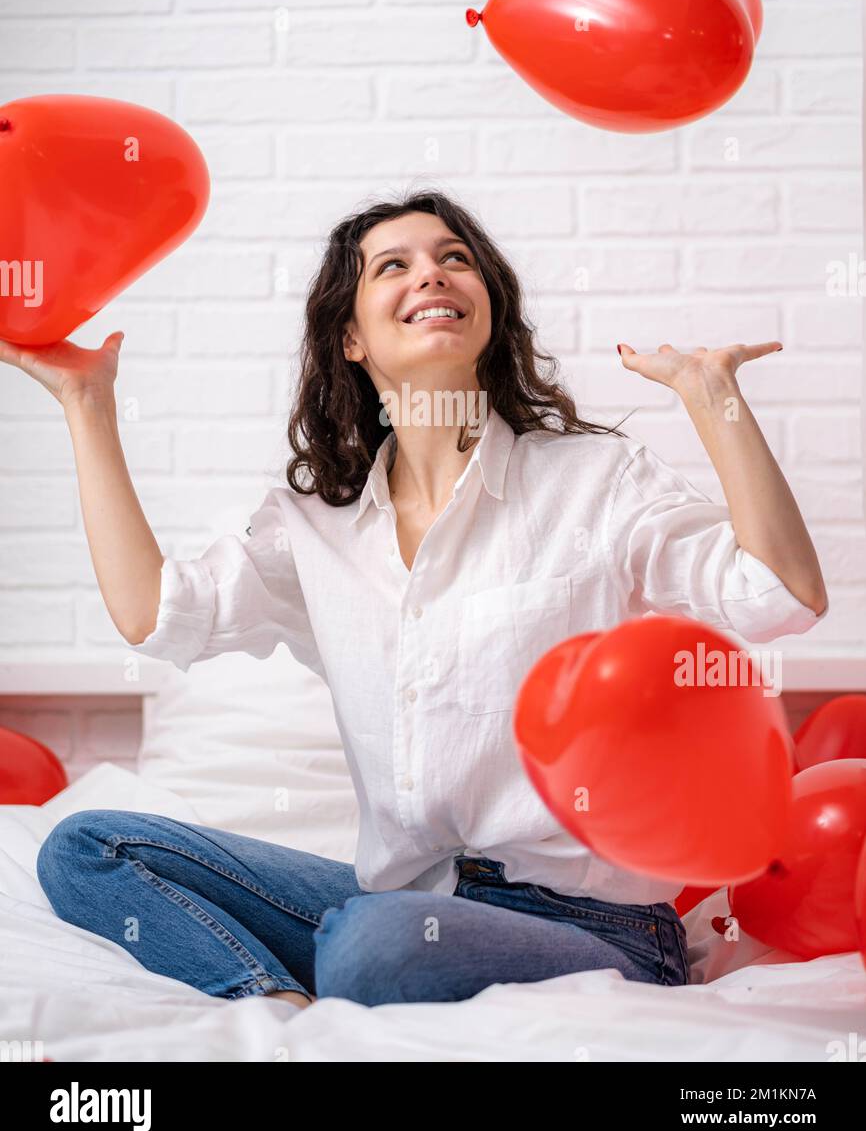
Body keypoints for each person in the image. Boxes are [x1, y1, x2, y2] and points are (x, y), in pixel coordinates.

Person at [6, 187, 827, 1011]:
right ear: (352, 338)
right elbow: (158, 615)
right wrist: (87, 403)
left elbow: (779, 596)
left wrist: (714, 399)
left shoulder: (594, 482)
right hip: (406, 905)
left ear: (487, 311)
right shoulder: (315, 527)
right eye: (393, 265)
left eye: (454, 259)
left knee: (373, 946)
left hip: (592, 925)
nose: (431, 274)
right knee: (87, 846)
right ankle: (273, 1001)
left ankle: (340, 973)